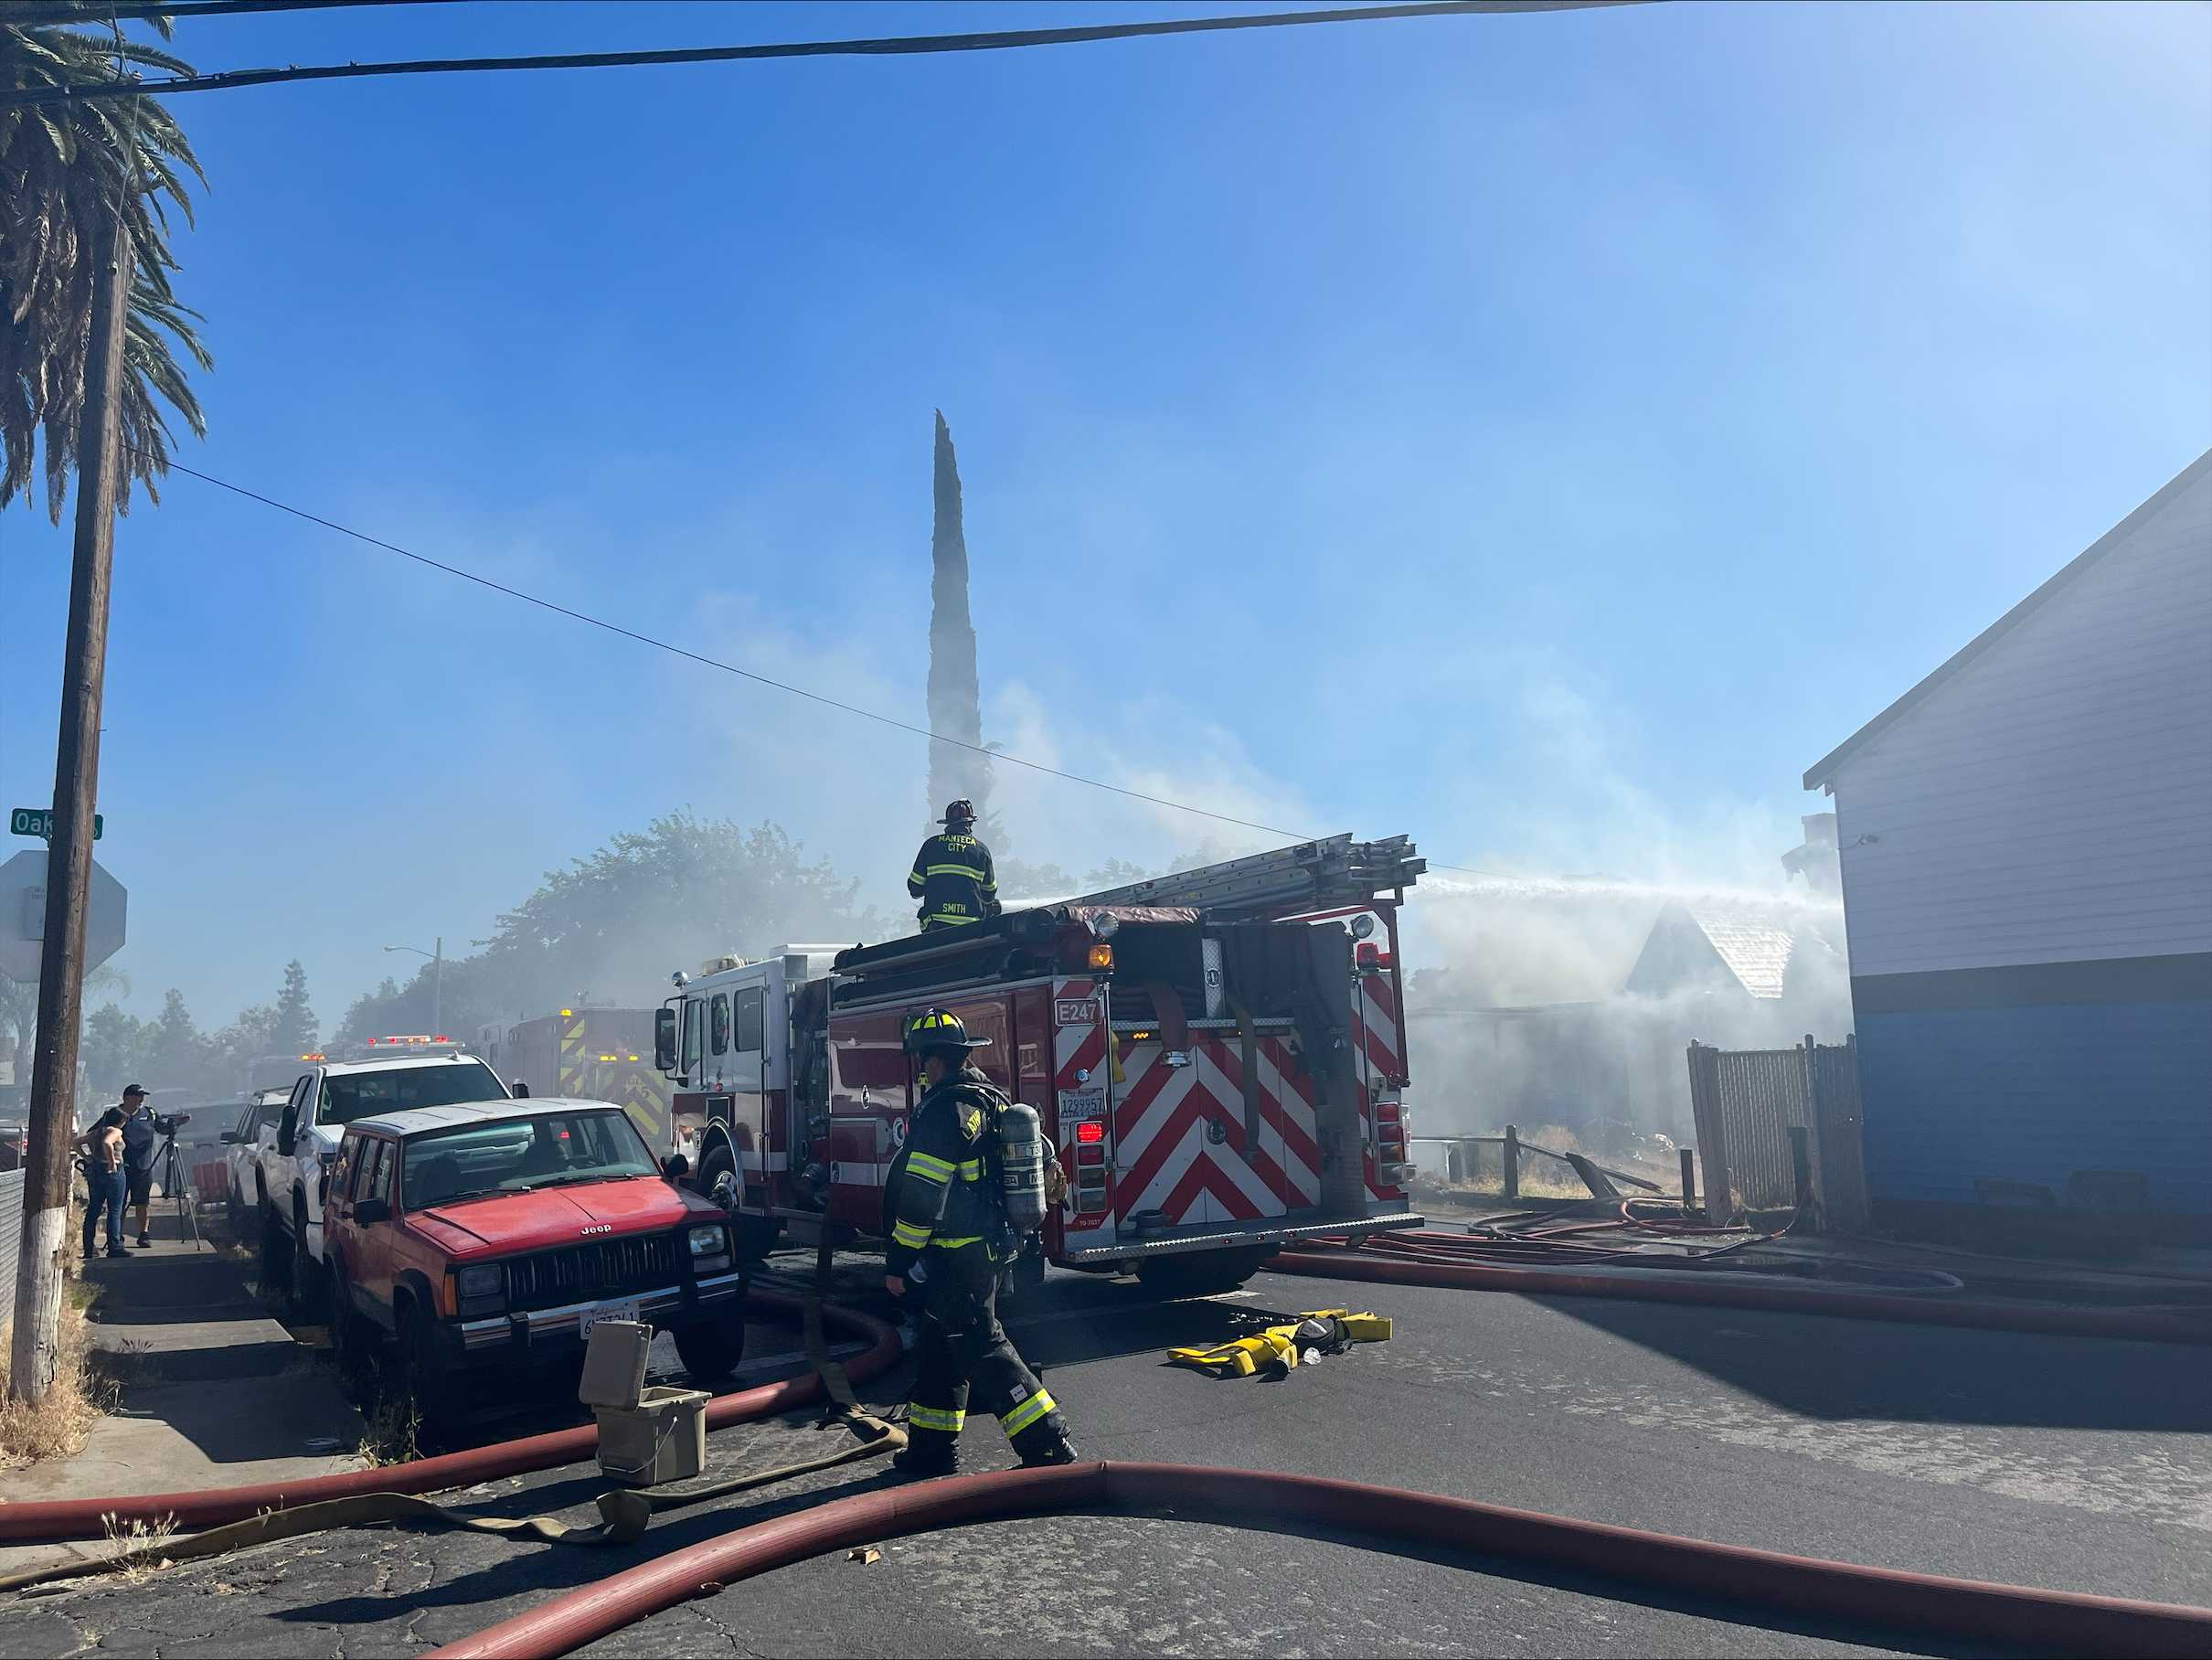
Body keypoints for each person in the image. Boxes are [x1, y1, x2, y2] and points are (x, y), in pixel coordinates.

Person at [883, 1007, 1076, 1478]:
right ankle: (931, 1449)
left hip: (957, 1255)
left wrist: (898, 1261)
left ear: (932, 1061)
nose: (922, 1070)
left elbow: (922, 1196)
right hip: (985, 1247)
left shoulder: (945, 1111)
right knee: (939, 1345)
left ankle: (1046, 1439)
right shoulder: (988, 1099)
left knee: (982, 1346)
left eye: (923, 1061)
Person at [906, 800, 1000, 933]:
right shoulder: (981, 851)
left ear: (948, 823)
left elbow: (915, 888)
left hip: (935, 928)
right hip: (972, 931)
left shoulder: (931, 846)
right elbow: (989, 893)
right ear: (970, 823)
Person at [80, 1093, 129, 1260]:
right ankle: (114, 1246)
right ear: (120, 1121)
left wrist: (87, 1157)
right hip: (113, 1173)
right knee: (115, 1210)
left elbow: (76, 1142)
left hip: (95, 1171)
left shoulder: (95, 1132)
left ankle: (88, 1247)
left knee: (94, 1209)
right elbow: (108, 1142)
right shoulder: (114, 1131)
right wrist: (112, 1162)